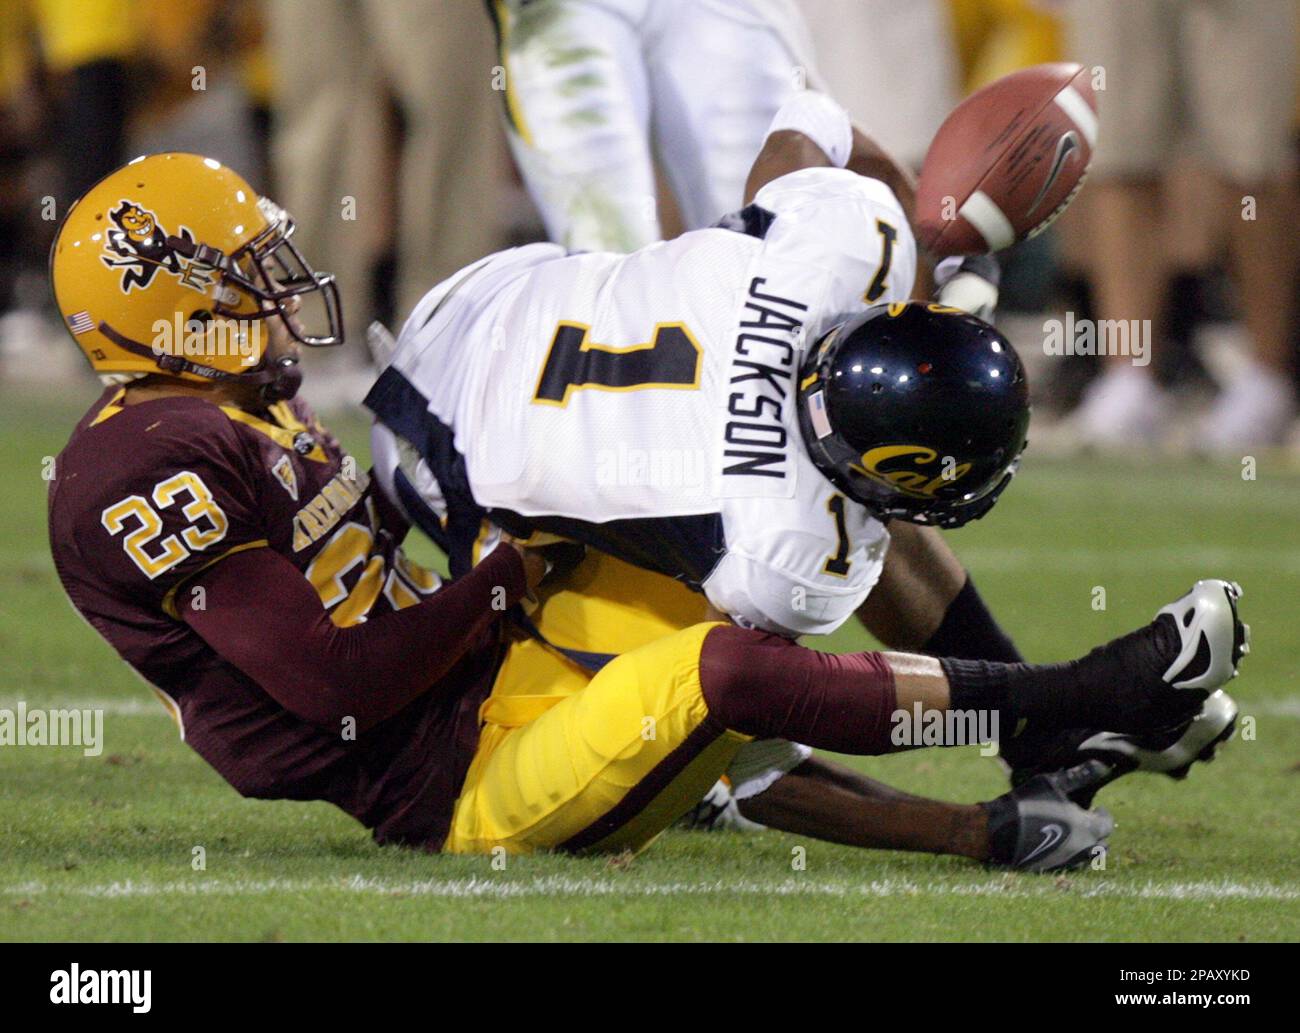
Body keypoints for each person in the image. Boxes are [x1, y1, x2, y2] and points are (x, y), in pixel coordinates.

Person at [47, 154, 1248, 871]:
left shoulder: (234, 411)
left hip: (479, 669)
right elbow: (341, 690)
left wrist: (528, 521)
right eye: (241, 278)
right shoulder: (141, 465)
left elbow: (372, 572)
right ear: (162, 311)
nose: (275, 292)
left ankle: (1002, 819)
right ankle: (1074, 699)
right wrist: (508, 574)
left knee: (786, 509)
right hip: (448, 776)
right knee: (718, 676)